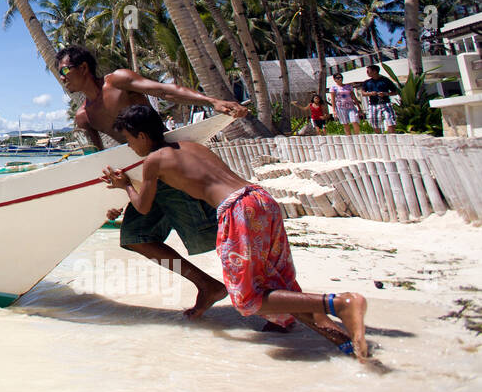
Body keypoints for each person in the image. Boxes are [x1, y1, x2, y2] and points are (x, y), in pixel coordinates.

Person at [101, 105, 369, 357]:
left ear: (143, 136)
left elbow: (144, 208)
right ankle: (346, 344)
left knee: (247, 300)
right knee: (279, 281)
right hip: (261, 199)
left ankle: (339, 303)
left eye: (129, 140)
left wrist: (124, 185)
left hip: (237, 211)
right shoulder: (192, 147)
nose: (130, 146)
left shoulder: (154, 160)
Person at [57, 45, 248, 318]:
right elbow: (103, 161)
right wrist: (114, 200)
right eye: (59, 73)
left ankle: (271, 295)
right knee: (136, 237)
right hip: (143, 177)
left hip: (171, 169)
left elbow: (163, 90)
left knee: (220, 236)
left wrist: (212, 102)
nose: (62, 78)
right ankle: (208, 285)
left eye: (65, 70)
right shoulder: (84, 116)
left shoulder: (119, 81)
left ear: (84, 67)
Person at [361, 65, 398, 134]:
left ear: (374, 71)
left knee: (390, 120)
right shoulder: (367, 82)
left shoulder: (385, 80)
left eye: (368, 71)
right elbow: (363, 93)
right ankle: (379, 137)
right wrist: (371, 93)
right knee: (375, 122)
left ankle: (392, 135)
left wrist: (385, 94)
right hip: (373, 104)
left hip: (385, 103)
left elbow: (395, 92)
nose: (367, 73)